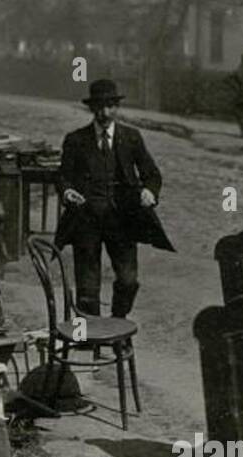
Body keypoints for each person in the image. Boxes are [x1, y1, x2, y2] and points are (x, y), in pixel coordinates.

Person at [55, 79, 175, 318]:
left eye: (110, 106)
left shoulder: (131, 138)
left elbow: (152, 174)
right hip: (87, 219)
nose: (104, 112)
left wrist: (149, 191)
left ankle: (117, 323)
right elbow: (63, 177)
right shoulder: (76, 140)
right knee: (88, 286)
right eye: (99, 107)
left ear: (117, 108)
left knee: (129, 280)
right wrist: (68, 192)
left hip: (122, 220)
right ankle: (90, 334)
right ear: (92, 109)